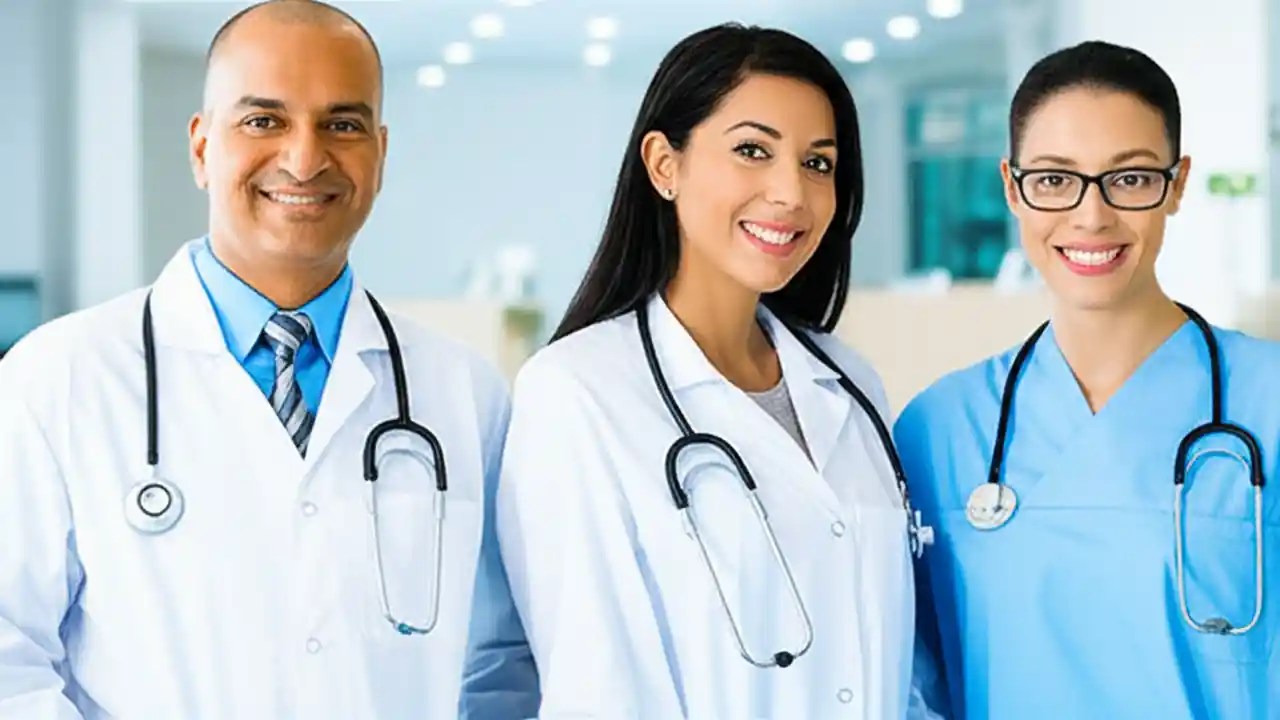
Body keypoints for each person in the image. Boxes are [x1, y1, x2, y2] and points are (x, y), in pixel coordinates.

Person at [0, 1, 538, 717]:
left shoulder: (464, 392)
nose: (305, 157)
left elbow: (505, 655)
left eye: (342, 125)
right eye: (264, 120)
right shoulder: (58, 378)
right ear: (201, 147)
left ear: (379, 154)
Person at [496, 23, 935, 718]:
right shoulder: (577, 392)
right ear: (664, 165)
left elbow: (898, 664)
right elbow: (600, 687)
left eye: (818, 163)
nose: (791, 192)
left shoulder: (847, 381)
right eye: (752, 151)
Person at [894, 40, 1280, 719]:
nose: (1091, 215)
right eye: (1054, 179)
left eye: (1129, 178)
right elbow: (914, 682)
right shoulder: (940, 429)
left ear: (1178, 183)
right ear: (1013, 188)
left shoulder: (1268, 402)